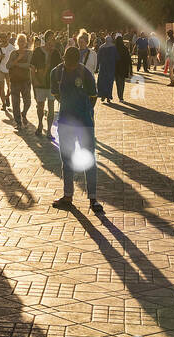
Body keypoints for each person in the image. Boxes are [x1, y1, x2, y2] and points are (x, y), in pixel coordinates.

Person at [50, 46, 103, 214]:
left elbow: (93, 97)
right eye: (68, 63)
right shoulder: (56, 73)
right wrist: (70, 107)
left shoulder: (85, 73)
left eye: (74, 64)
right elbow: (56, 94)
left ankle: (93, 199)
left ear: (78, 61)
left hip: (85, 122)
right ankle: (67, 197)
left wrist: (82, 111)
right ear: (63, 59)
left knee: (89, 160)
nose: (71, 66)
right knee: (67, 160)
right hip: (65, 121)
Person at [7, 34, 35, 126]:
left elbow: (28, 65)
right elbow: (8, 65)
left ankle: (24, 113)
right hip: (14, 81)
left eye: (23, 41)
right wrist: (17, 59)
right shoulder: (13, 53)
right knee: (15, 103)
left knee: (28, 101)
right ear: (17, 42)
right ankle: (18, 121)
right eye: (20, 41)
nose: (22, 42)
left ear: (26, 42)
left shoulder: (29, 53)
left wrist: (16, 64)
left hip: (25, 81)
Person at [95, 33, 118, 104]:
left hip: (103, 67)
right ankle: (108, 96)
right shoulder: (114, 47)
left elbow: (98, 57)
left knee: (102, 81)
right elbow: (117, 57)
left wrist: (97, 66)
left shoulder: (101, 47)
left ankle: (102, 95)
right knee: (109, 82)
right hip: (111, 67)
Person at [114, 33, 133, 102]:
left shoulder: (114, 48)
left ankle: (120, 95)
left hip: (116, 68)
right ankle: (121, 97)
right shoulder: (125, 48)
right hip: (123, 68)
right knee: (122, 82)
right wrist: (130, 70)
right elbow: (128, 60)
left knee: (118, 83)